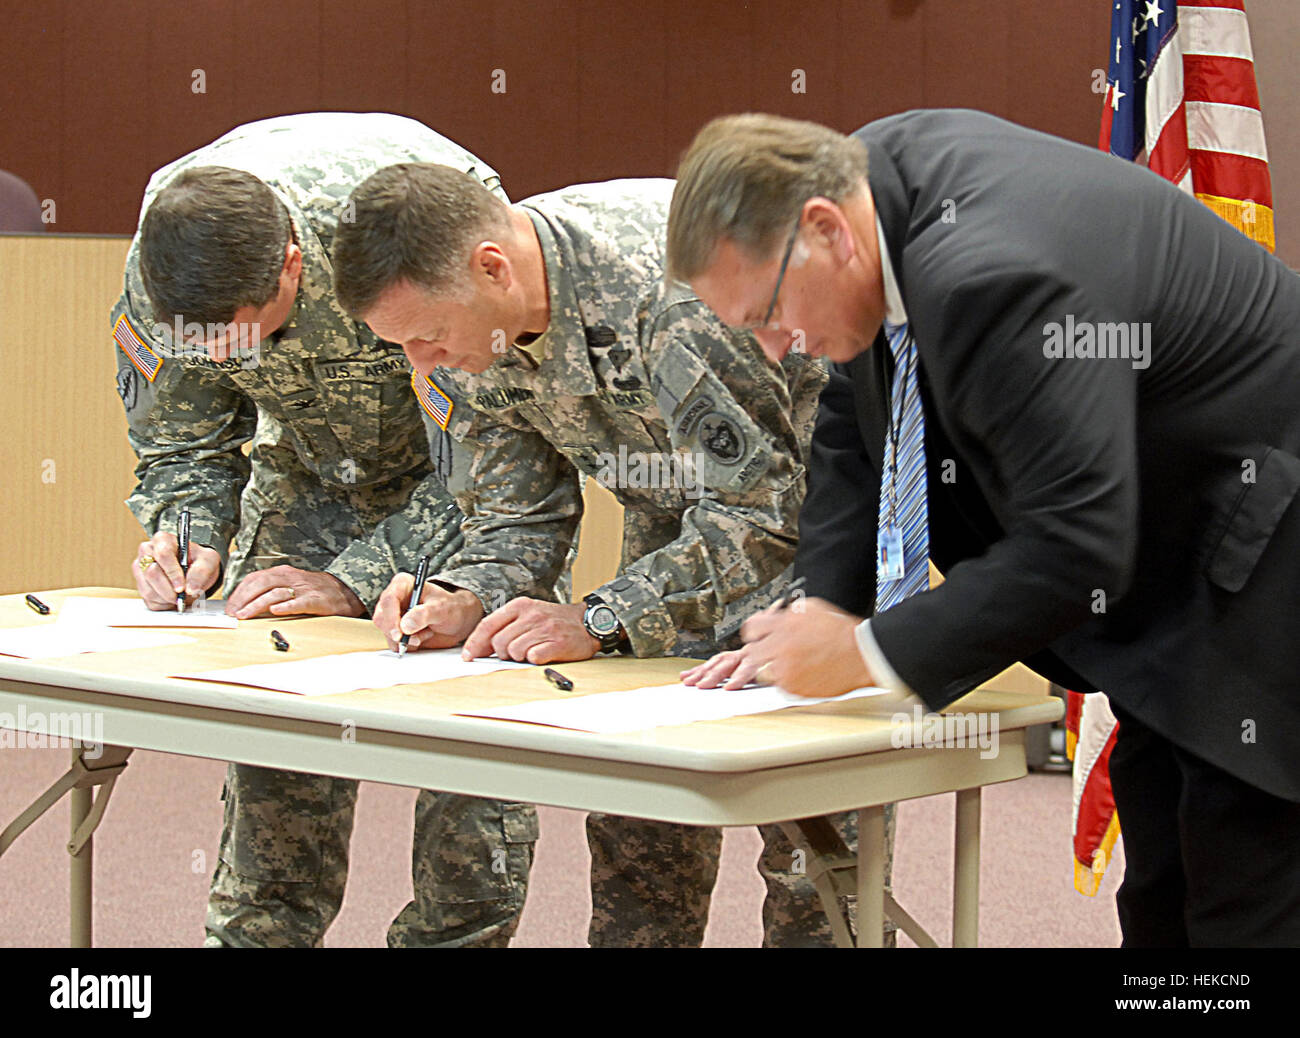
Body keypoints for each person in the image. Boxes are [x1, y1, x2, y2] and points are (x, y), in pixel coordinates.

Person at [666, 109, 1300, 947]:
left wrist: (862, 657)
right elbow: (855, 433)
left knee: (1242, 898)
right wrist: (827, 609)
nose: (777, 348)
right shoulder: (869, 194)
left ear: (823, 230)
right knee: (1162, 893)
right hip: (1173, 556)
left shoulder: (994, 270)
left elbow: (1075, 544)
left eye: (767, 314)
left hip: (1264, 558)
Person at [330, 165, 857, 947]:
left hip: (818, 525)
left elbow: (761, 510)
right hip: (678, 522)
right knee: (642, 814)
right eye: (400, 343)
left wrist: (602, 617)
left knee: (808, 837)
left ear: (491, 267)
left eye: (427, 335)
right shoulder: (472, 336)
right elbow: (517, 515)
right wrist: (461, 593)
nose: (422, 362)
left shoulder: (676, 299)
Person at [113, 112, 536, 948]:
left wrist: (355, 577)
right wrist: (189, 533)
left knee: (473, 775)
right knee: (278, 766)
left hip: (463, 486)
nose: (235, 354)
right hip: (306, 473)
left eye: (252, 331)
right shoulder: (161, 268)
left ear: (296, 266)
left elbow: (501, 461)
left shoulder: (419, 233)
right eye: (215, 346)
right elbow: (183, 436)